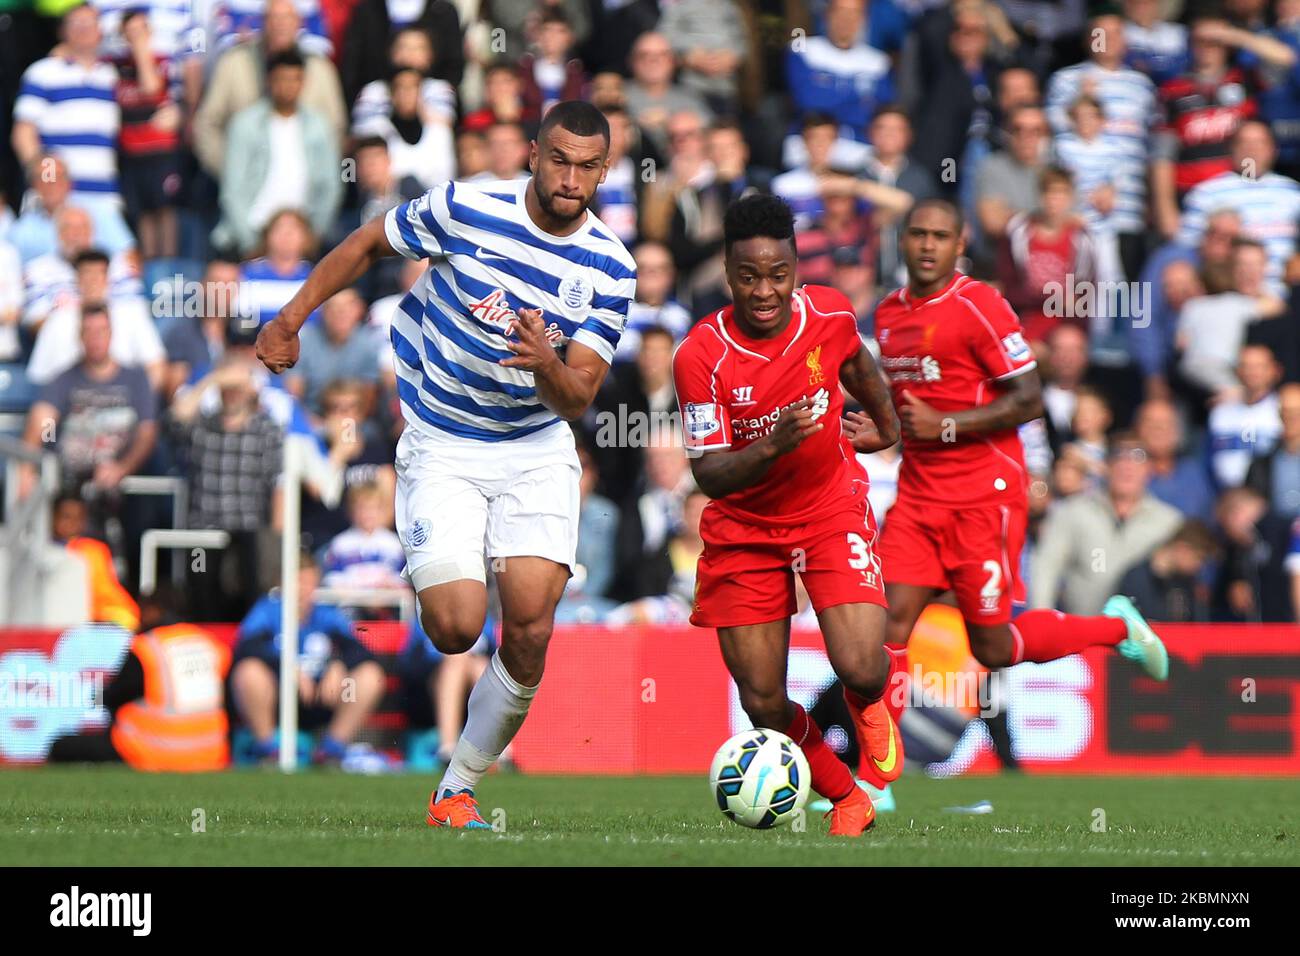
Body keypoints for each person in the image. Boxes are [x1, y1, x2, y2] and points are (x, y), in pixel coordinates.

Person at [255, 102, 636, 829]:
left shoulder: (611, 266)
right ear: (532, 153)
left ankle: (457, 786)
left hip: (533, 446)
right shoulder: (465, 206)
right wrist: (290, 316)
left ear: (605, 171)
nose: (571, 177)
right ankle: (441, 572)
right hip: (443, 438)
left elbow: (578, 397)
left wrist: (546, 363)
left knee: (529, 631)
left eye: (588, 166)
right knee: (458, 628)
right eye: (559, 159)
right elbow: (369, 243)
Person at [873, 200, 1172, 799]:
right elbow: (912, 411)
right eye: (918, 235)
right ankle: (875, 778)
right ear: (901, 242)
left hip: (984, 498)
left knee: (992, 646)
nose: (928, 246)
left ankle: (1115, 629)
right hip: (917, 497)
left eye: (941, 236)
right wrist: (879, 430)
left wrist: (948, 426)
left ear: (960, 245)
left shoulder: (979, 305)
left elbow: (1029, 397)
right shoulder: (887, 316)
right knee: (883, 630)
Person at [672, 193, 903, 837]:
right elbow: (708, 473)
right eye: (749, 277)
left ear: (797, 268)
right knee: (763, 699)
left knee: (860, 663)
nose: (764, 291)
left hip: (828, 507)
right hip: (744, 530)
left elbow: (858, 363)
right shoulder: (700, 355)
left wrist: (885, 428)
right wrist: (774, 441)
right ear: (728, 273)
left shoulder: (829, 313)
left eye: (777, 275)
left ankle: (867, 700)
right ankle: (845, 796)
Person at [46, 586, 231, 771]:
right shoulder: (210, 644)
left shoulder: (148, 647)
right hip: (210, 753)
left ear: (154, 610)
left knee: (61, 746)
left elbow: (115, 695)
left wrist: (96, 696)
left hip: (153, 749)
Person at [229, 553, 386, 764]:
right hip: (279, 698)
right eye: (297, 582)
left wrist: (338, 664)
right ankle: (268, 751)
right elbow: (246, 649)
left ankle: (331, 751)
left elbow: (359, 651)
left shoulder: (325, 614)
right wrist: (287, 668)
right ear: (282, 583)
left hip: (321, 697)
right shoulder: (267, 611)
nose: (303, 590)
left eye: (308, 582)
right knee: (248, 672)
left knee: (369, 675)